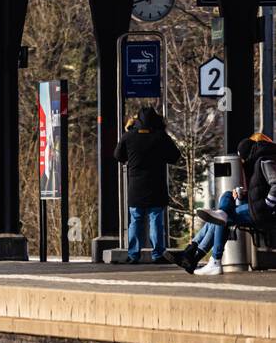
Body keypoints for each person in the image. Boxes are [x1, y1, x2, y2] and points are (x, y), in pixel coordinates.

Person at [171, 133, 276, 275]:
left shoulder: (265, 160)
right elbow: (262, 189)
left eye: (243, 157)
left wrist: (268, 205)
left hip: (263, 211)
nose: (244, 161)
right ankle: (192, 256)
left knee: (222, 219)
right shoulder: (262, 159)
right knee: (226, 199)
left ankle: (209, 259)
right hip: (258, 207)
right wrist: (244, 193)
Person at [113, 106, 180, 264]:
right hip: (156, 185)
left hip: (136, 186)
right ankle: (158, 254)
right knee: (156, 219)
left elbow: (117, 155)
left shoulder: (128, 136)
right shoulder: (160, 136)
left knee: (136, 220)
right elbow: (175, 156)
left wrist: (129, 159)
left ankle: (133, 255)